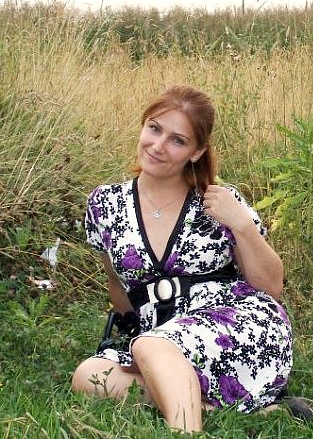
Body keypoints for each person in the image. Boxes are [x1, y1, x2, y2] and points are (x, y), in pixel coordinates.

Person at [71, 85, 293, 434]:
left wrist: (242, 226)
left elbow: (271, 287)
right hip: (159, 335)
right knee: (90, 375)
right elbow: (117, 283)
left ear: (196, 151)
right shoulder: (106, 203)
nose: (158, 145)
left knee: (153, 346)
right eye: (154, 128)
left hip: (236, 326)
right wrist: (131, 334)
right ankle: (236, 411)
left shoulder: (219, 201)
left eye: (177, 140)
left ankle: (187, 430)